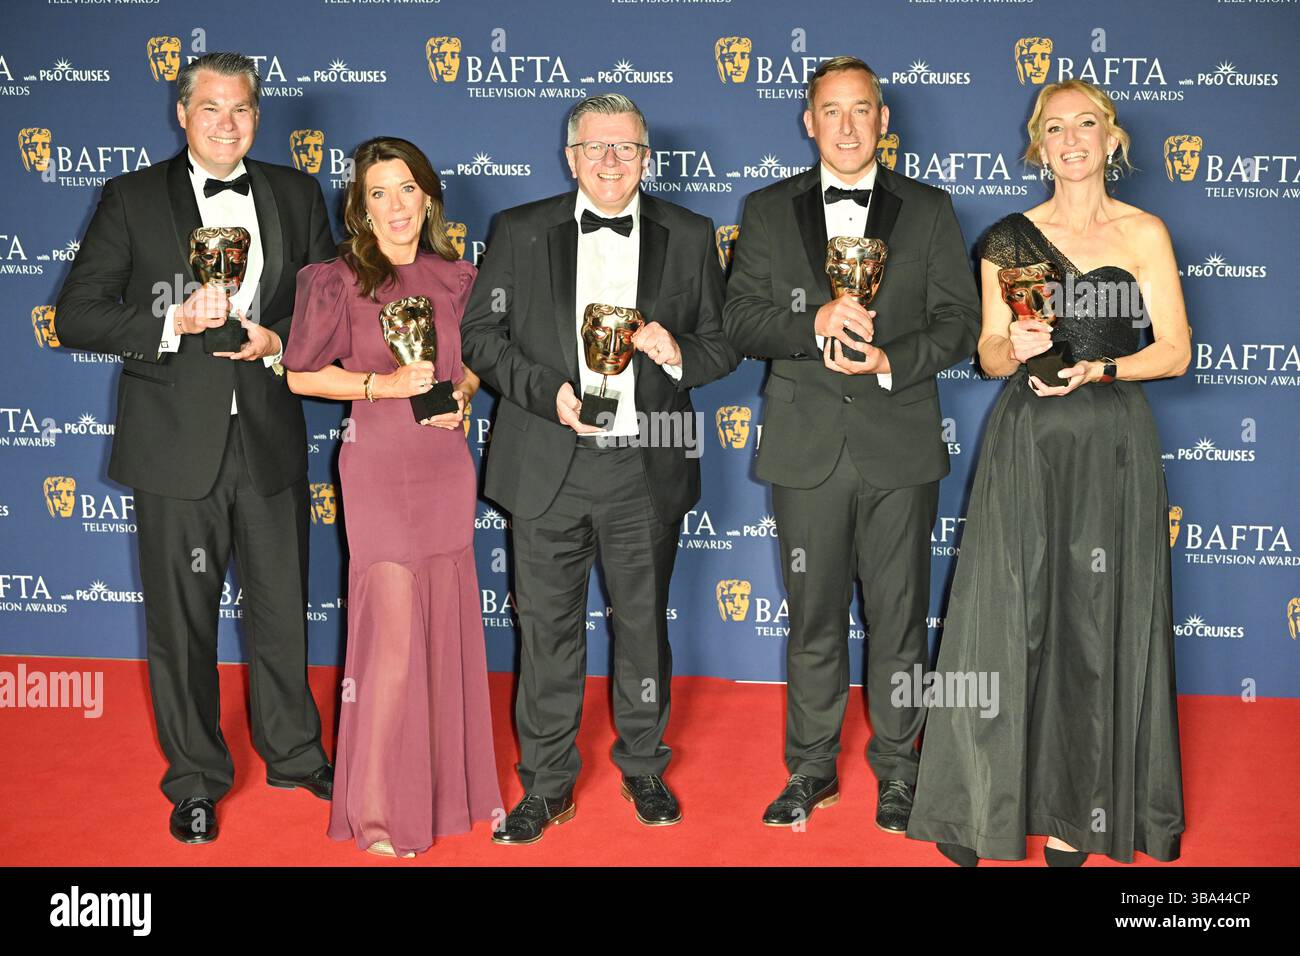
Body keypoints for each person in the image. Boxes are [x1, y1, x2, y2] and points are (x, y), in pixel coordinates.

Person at [905, 79, 1190, 866]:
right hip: (1028, 439)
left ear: (1111, 138)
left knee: (1094, 619)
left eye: (1085, 124)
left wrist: (1103, 369)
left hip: (1109, 439)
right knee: (1000, 613)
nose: (1070, 139)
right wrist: (1015, 346)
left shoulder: (1144, 232)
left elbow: (1175, 350)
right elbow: (988, 352)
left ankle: (1078, 811)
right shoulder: (1008, 239)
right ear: (1038, 145)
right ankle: (976, 805)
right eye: (1054, 127)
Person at [54, 52, 335, 844]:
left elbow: (326, 307)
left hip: (270, 435)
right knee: (182, 625)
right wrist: (170, 322)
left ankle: (295, 753)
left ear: (258, 116)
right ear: (182, 114)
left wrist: (281, 342)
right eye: (210, 107)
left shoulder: (297, 192)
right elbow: (77, 314)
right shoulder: (133, 197)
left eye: (240, 108)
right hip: (174, 445)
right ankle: (196, 779)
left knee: (282, 610)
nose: (226, 123)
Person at [460, 93, 738, 844]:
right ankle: (546, 783)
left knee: (642, 626)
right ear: (570, 156)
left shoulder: (690, 233)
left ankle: (644, 763)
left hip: (644, 465)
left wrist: (677, 353)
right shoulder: (519, 230)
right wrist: (543, 393)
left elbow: (723, 344)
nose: (611, 161)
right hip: (547, 462)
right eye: (595, 147)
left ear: (647, 158)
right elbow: (480, 336)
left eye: (626, 148)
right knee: (547, 632)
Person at [722, 56, 980, 832]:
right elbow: (740, 321)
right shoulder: (767, 209)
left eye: (860, 109)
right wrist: (814, 323)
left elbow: (959, 324)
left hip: (899, 443)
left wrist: (889, 359)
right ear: (808, 121)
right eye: (830, 110)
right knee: (813, 620)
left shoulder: (929, 209)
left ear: (883, 120)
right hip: (806, 448)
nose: (845, 125)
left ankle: (900, 770)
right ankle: (811, 768)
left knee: (900, 619)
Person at [282, 137, 502, 858]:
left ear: (428, 196)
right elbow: (301, 374)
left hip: (444, 465)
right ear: (361, 207)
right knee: (393, 639)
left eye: (407, 188)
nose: (396, 205)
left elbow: (472, 362)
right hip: (378, 465)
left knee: (442, 624)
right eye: (379, 193)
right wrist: (381, 385)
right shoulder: (336, 280)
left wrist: (463, 396)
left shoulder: (459, 277)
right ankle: (379, 809)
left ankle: (438, 794)